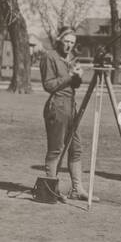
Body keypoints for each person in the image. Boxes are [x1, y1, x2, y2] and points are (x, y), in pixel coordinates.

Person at [39, 26, 89, 201]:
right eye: (66, 41)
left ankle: (77, 188)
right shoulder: (49, 56)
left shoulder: (72, 58)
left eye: (72, 43)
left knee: (76, 148)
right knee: (56, 149)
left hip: (71, 106)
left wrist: (78, 77)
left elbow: (74, 85)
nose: (69, 46)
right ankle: (51, 189)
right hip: (57, 106)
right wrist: (69, 76)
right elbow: (49, 85)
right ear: (59, 40)